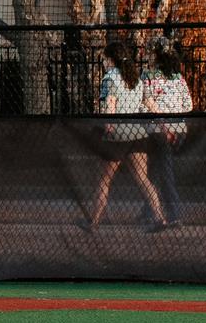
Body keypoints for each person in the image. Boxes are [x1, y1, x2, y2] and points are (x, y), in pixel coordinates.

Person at [79, 37, 170, 232]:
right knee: (143, 179)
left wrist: (108, 124)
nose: (104, 62)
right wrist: (163, 124)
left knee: (103, 179)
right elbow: (151, 105)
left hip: (117, 135)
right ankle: (159, 217)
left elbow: (109, 103)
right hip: (137, 134)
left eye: (105, 58)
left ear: (111, 59)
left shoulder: (110, 78)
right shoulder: (136, 79)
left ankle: (94, 222)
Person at [140, 37, 191, 226]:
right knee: (157, 167)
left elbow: (144, 103)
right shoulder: (178, 77)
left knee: (163, 170)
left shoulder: (147, 76)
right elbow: (188, 104)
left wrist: (160, 113)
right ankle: (148, 209)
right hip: (179, 128)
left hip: (157, 128)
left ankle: (173, 212)